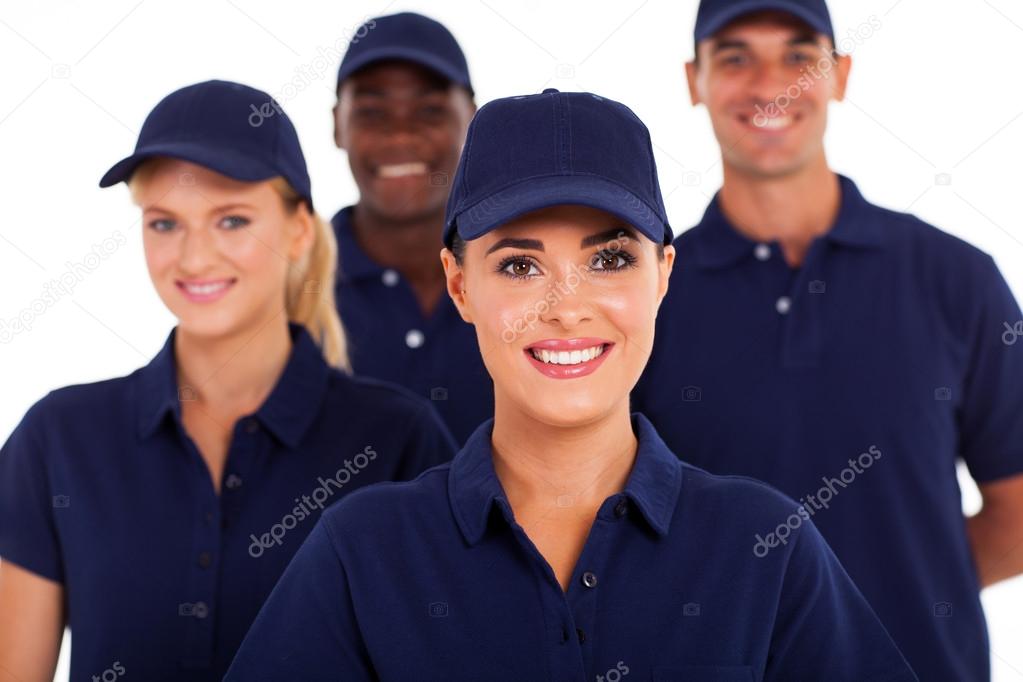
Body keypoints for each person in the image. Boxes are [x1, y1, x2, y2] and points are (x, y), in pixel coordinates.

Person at [226, 88, 916, 681]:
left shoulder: (761, 544)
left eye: (609, 259)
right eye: (520, 266)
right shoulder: (365, 550)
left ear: (663, 275)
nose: (565, 306)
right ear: (460, 284)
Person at [0, 80, 455, 682]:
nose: (192, 259)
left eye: (232, 220)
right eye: (164, 224)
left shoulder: (398, 440)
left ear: (297, 230)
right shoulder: (57, 439)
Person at [631, 2, 1023, 680]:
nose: (767, 83)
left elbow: (1017, 509)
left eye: (796, 56)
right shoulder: (643, 295)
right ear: (693, 81)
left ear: (839, 74)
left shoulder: (954, 277)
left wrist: (911, 588)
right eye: (733, 57)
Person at [331, 12, 492, 444]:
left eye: (429, 110)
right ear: (336, 125)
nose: (400, 134)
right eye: (372, 111)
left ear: (472, 119)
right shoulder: (284, 287)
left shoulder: (530, 278)